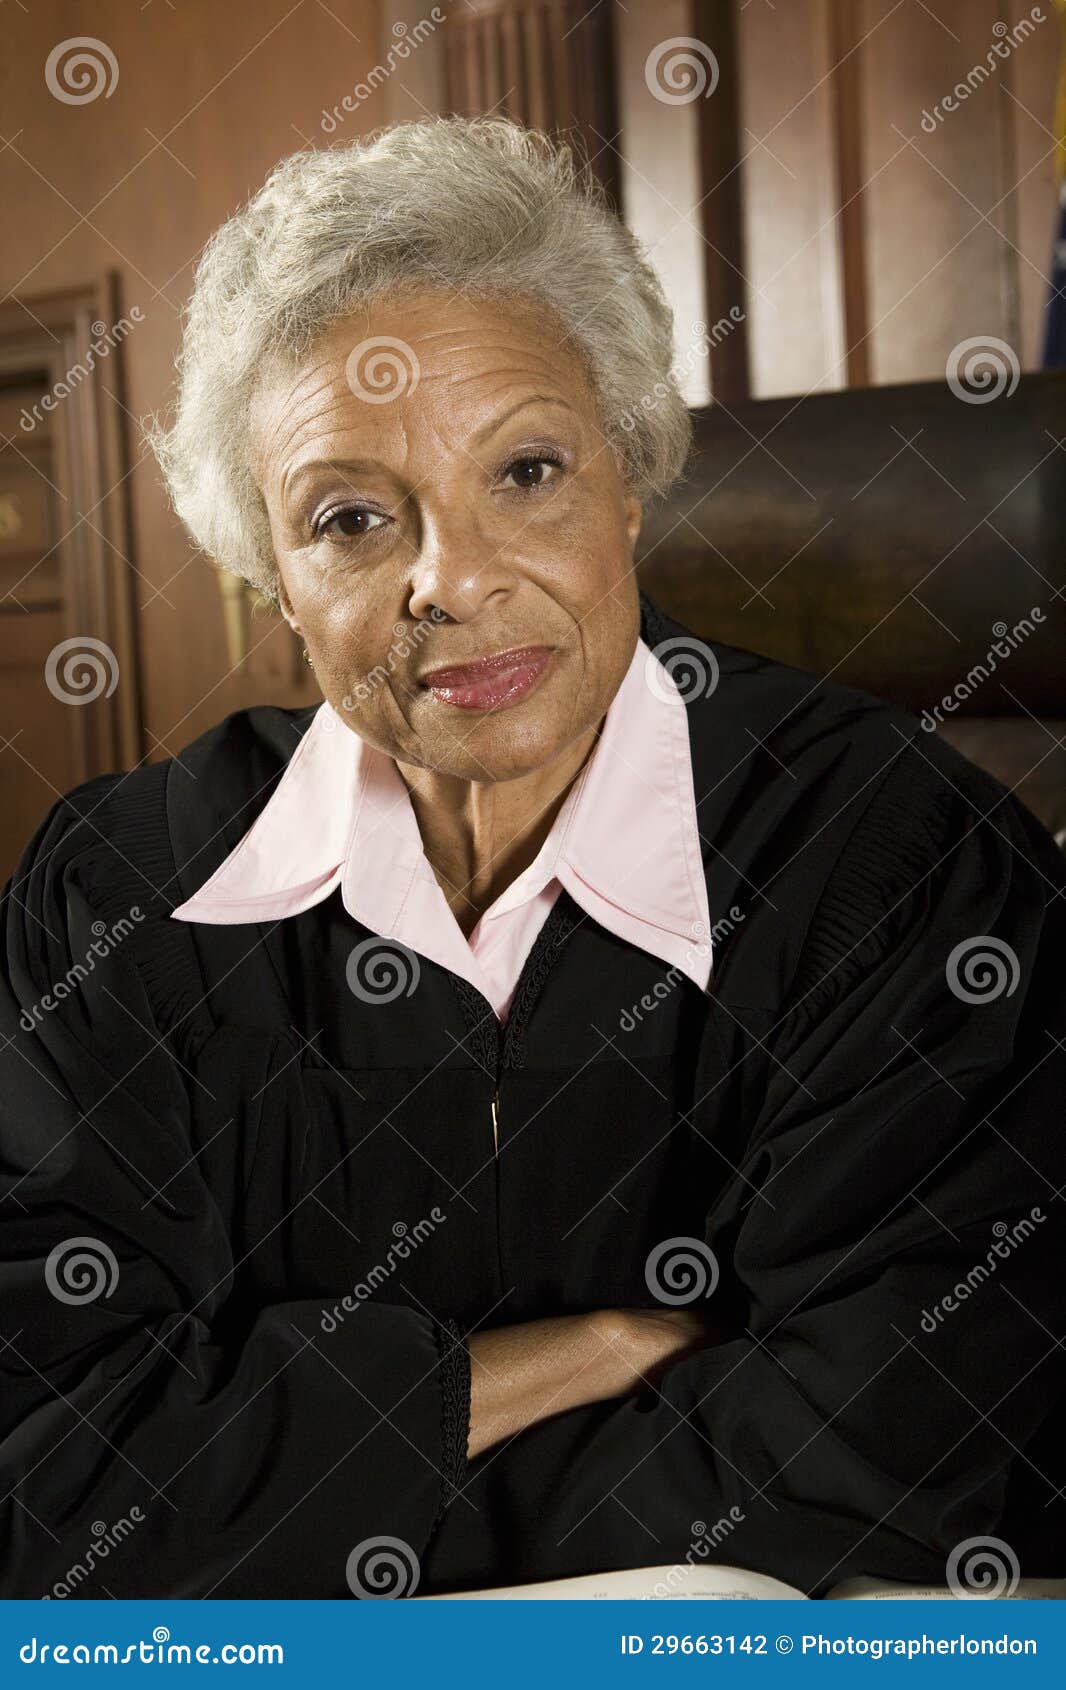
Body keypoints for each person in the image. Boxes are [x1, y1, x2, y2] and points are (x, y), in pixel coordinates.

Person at [1, 116, 1064, 1601]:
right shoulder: (112, 899)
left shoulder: (900, 866)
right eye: (352, 517)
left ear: (628, 485)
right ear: (275, 580)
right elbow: (35, 1475)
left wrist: (264, 1493)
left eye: (528, 470)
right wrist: (571, 1362)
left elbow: (880, 1466)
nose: (452, 579)